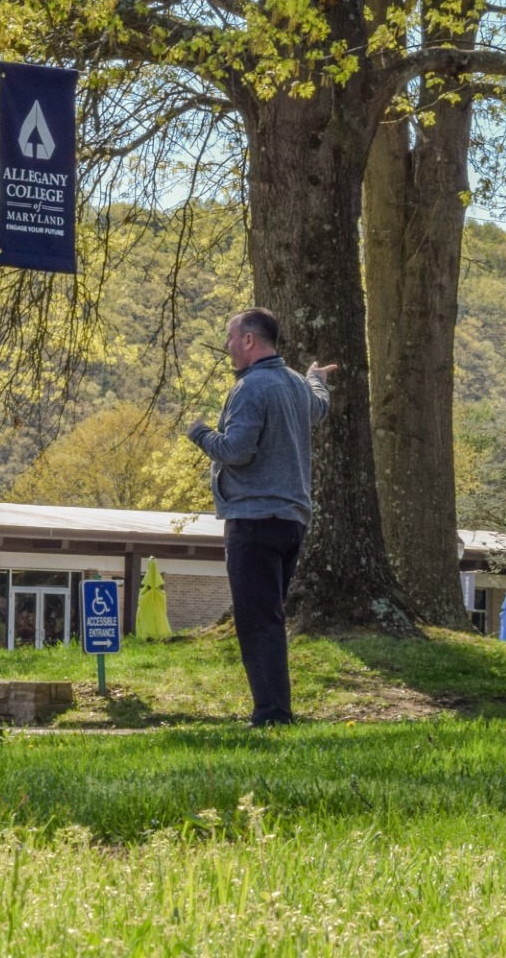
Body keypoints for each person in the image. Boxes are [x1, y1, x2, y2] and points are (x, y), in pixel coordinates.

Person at [186, 308, 334, 727]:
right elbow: (319, 406)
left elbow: (236, 450)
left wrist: (199, 432)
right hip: (292, 523)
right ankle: (275, 711)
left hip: (253, 520)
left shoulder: (251, 387)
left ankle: (272, 716)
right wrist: (316, 377)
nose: (228, 346)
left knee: (257, 622)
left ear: (249, 340)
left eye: (231, 338)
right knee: (269, 617)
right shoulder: (294, 385)